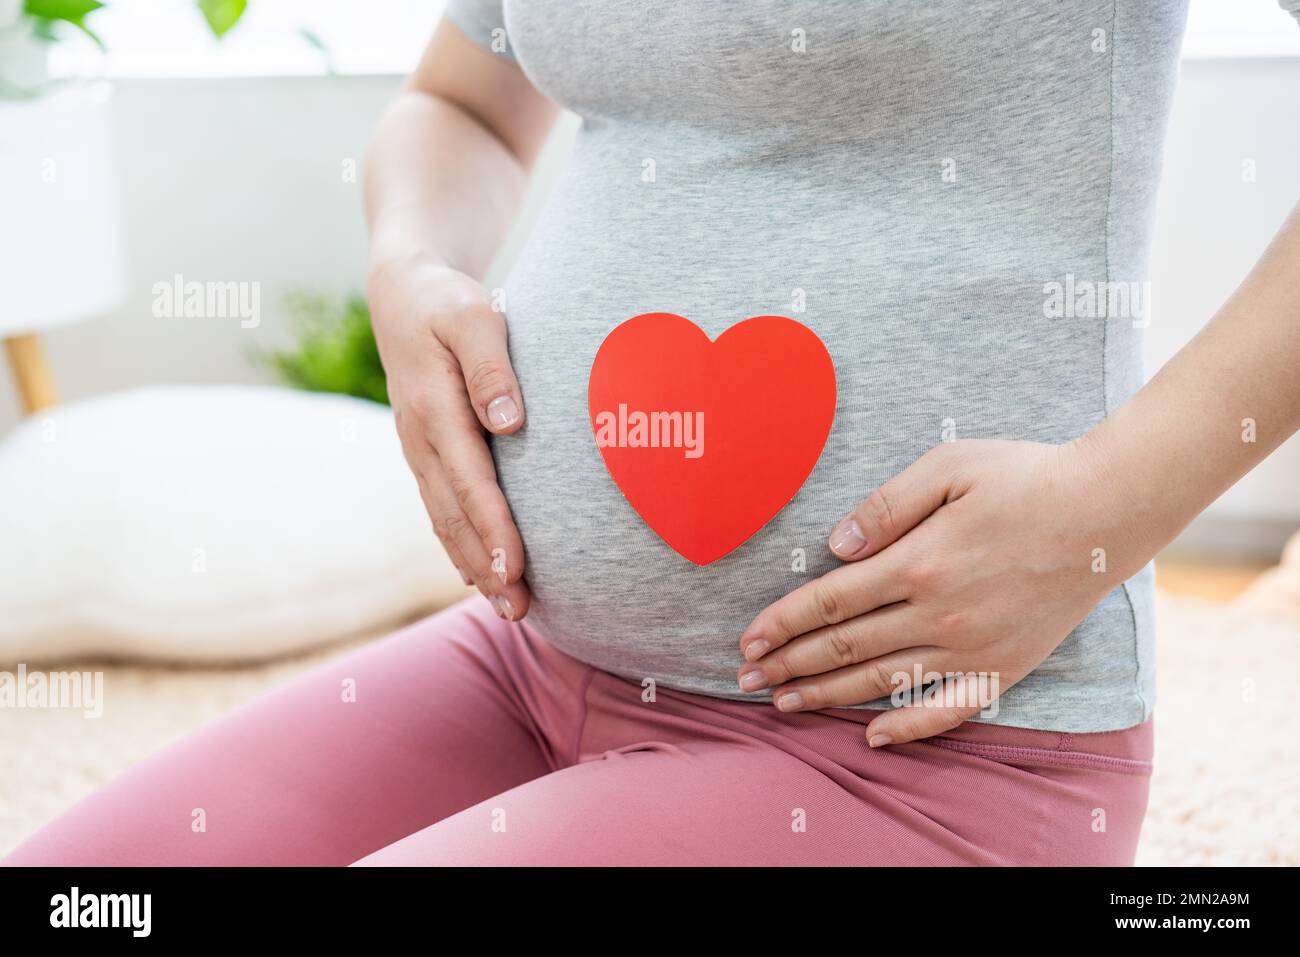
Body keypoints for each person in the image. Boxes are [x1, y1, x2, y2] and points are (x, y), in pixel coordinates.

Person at [7, 0, 1300, 866]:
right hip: (529, 663)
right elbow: (462, 102)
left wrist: (1112, 502)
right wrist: (410, 264)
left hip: (922, 749)